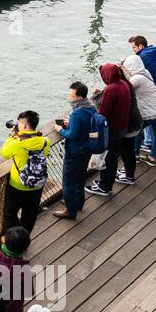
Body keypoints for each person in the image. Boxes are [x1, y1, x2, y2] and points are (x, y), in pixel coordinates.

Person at [87, 63, 135, 195]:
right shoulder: (123, 84)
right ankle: (108, 182)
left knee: (108, 158)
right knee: (113, 157)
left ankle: (105, 186)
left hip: (111, 130)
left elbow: (103, 113)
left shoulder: (111, 89)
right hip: (122, 127)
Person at [54, 82, 99, 220]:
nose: (69, 96)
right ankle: (78, 202)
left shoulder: (77, 113)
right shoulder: (91, 107)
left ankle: (70, 210)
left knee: (68, 182)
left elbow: (72, 135)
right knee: (80, 177)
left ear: (79, 97)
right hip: (87, 149)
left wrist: (60, 129)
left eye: (71, 95)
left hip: (75, 152)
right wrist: (71, 124)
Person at [0, 110, 51, 228]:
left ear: (25, 125)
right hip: (37, 184)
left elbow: (4, 153)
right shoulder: (44, 141)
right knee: (30, 215)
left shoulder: (17, 143)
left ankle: (15, 239)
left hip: (18, 185)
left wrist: (13, 136)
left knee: (9, 214)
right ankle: (24, 237)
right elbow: (45, 154)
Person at [124, 51, 156, 166]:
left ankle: (135, 155)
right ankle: (153, 156)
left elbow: (126, 89)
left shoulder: (136, 79)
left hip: (150, 112)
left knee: (137, 132)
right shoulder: (145, 72)